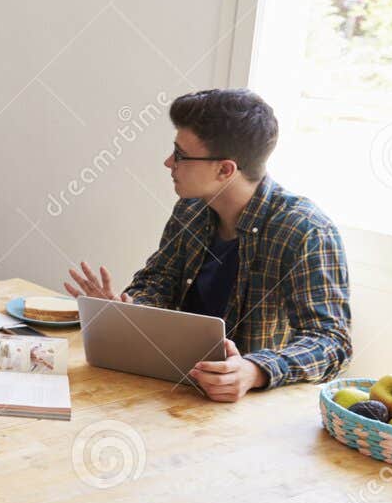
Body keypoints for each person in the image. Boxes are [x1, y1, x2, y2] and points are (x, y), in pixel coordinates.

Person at [65, 88, 351, 402]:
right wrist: (128, 309)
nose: (168, 162)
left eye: (180, 155)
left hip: (248, 409)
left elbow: (331, 342)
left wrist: (255, 370)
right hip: (177, 388)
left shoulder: (306, 230)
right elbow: (159, 280)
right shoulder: (191, 208)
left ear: (225, 169)